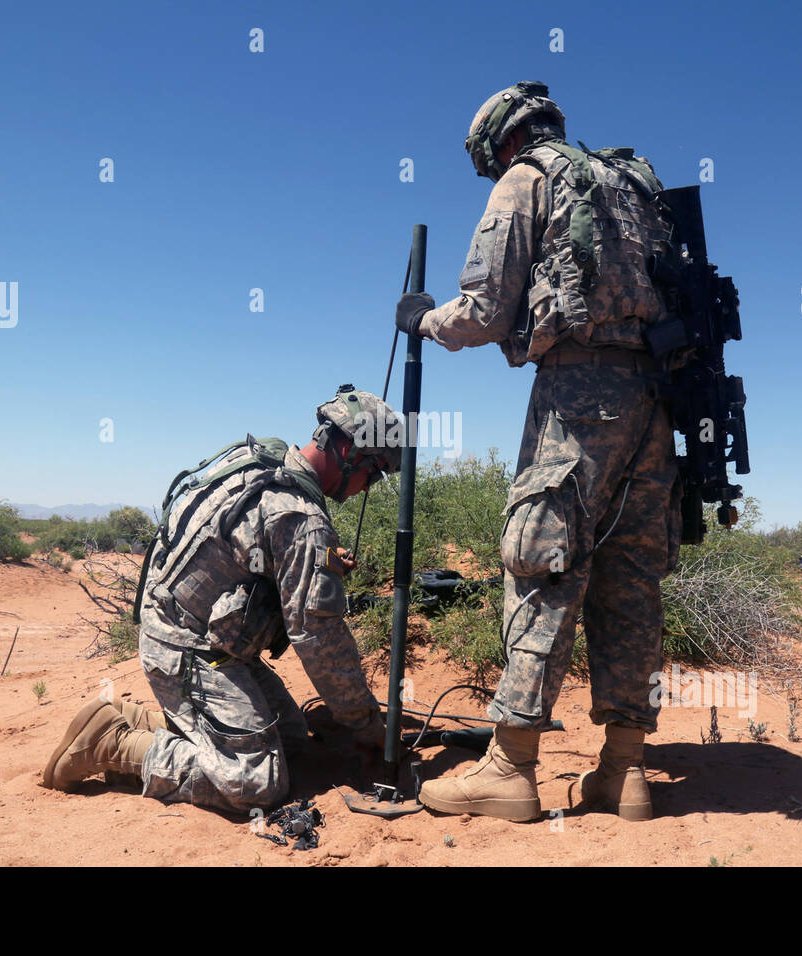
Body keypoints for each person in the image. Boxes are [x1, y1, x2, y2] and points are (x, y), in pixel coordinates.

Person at [395, 81, 685, 822]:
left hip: (579, 399)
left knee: (541, 563)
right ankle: (625, 772)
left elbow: (488, 311)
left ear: (501, 145)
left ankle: (509, 769)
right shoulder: (632, 185)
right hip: (655, 404)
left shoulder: (530, 179)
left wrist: (428, 321)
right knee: (630, 586)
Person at [41, 386, 403, 814]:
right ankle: (114, 744)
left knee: (289, 741)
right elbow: (318, 636)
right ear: (347, 450)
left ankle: (145, 722)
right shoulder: (299, 517)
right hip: (190, 650)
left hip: (203, 642)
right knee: (257, 781)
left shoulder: (262, 462)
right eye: (374, 473)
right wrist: (366, 724)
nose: (366, 489)